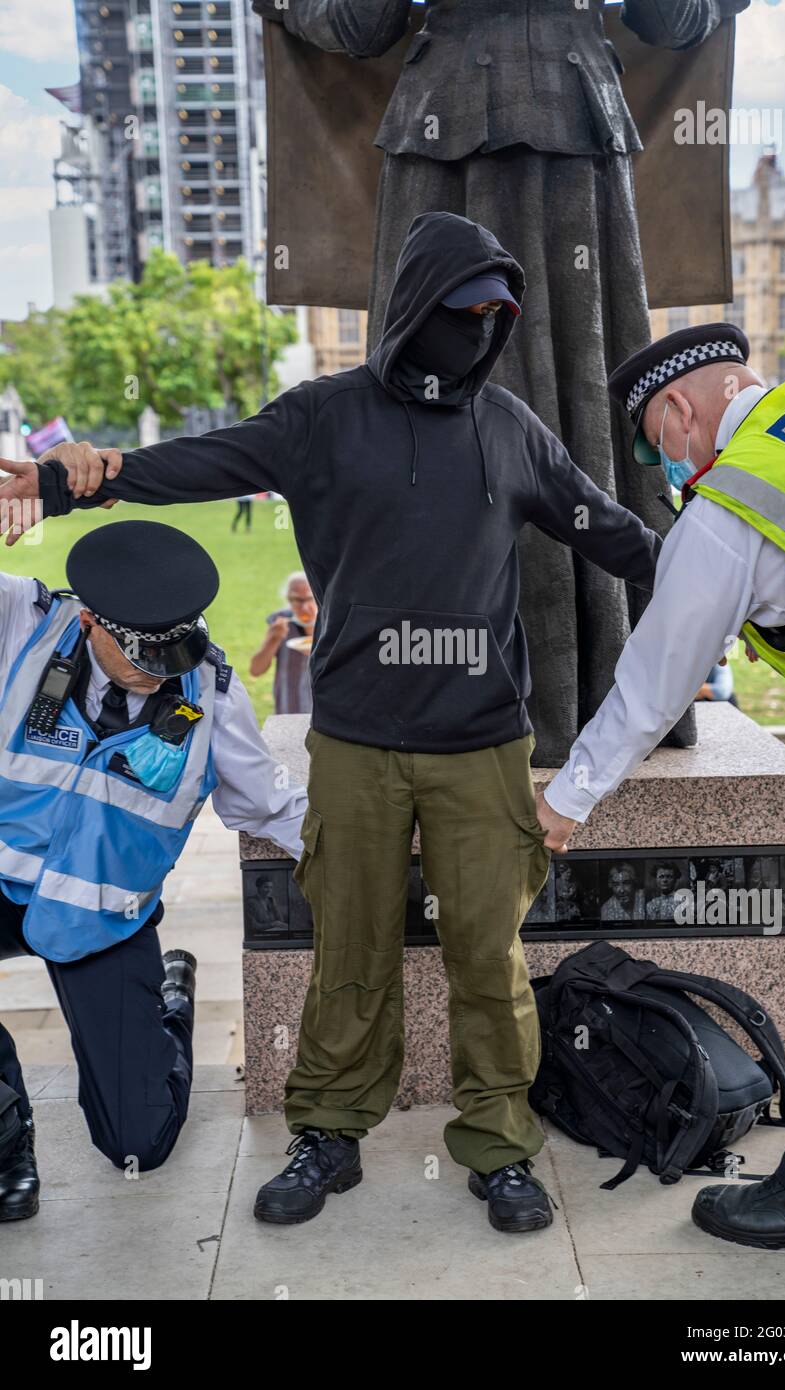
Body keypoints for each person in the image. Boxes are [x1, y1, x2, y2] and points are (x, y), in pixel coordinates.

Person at [1, 212, 664, 1235]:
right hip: (353, 741)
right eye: (461, 312)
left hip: (484, 744)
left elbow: (602, 526)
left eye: (497, 316)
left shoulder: (509, 429)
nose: (480, 331)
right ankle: (328, 1128)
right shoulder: (321, 417)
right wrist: (61, 479)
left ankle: (498, 1143)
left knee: (486, 956)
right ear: (412, 309)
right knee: (348, 948)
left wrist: (714, 577)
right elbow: (201, 462)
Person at [251, 0, 752, 761]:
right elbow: (673, 17)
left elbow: (360, 23)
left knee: (431, 395)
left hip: (444, 132)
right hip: (578, 123)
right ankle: (599, 691)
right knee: (585, 392)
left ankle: (441, 695)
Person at [534, 321, 785, 1260]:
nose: (664, 463)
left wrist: (565, 800)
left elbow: (655, 681)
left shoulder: (733, 504)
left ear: (680, 409)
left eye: (656, 441)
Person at [0, 520, 306, 1221]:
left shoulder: (213, 697)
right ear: (88, 620)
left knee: (139, 1142)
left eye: (176, 645)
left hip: (100, 916)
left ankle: (169, 1002)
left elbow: (272, 806)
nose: (163, 666)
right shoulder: (21, 621)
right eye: (142, 651)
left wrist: (389, 843)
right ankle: (6, 1140)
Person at [249, 571, 317, 714]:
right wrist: (273, 639)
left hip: (321, 711)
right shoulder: (280, 621)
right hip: (289, 707)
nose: (304, 607)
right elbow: (256, 670)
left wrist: (313, 627)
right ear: (288, 599)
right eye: (297, 600)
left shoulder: (331, 621)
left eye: (309, 599)